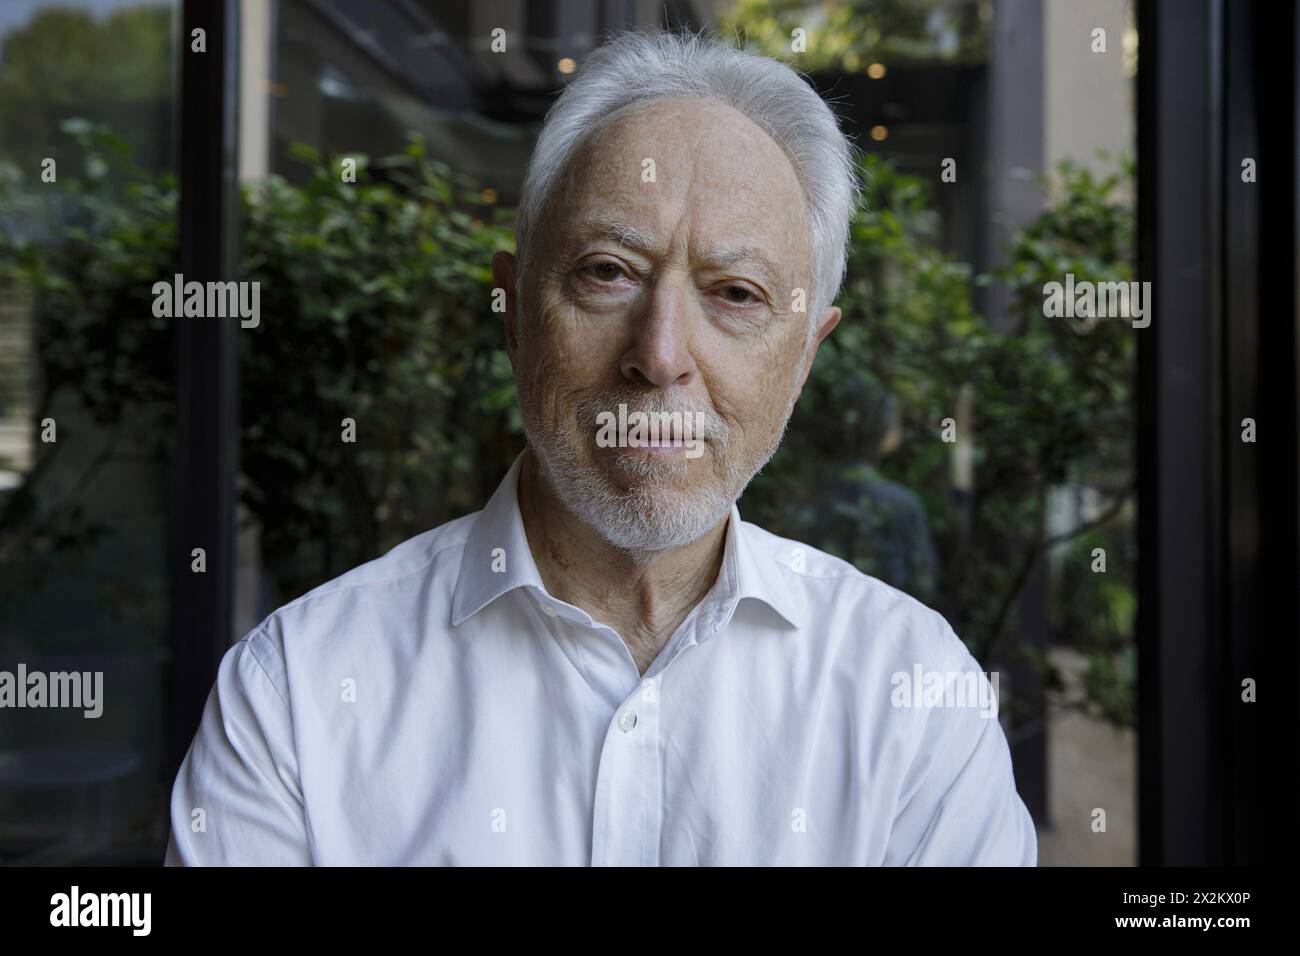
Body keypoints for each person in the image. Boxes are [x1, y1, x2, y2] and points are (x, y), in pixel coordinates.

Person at [165, 27, 1036, 866]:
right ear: (514, 311)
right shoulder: (297, 696)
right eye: (607, 272)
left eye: (736, 293)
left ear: (805, 355)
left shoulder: (916, 700)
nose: (660, 355)